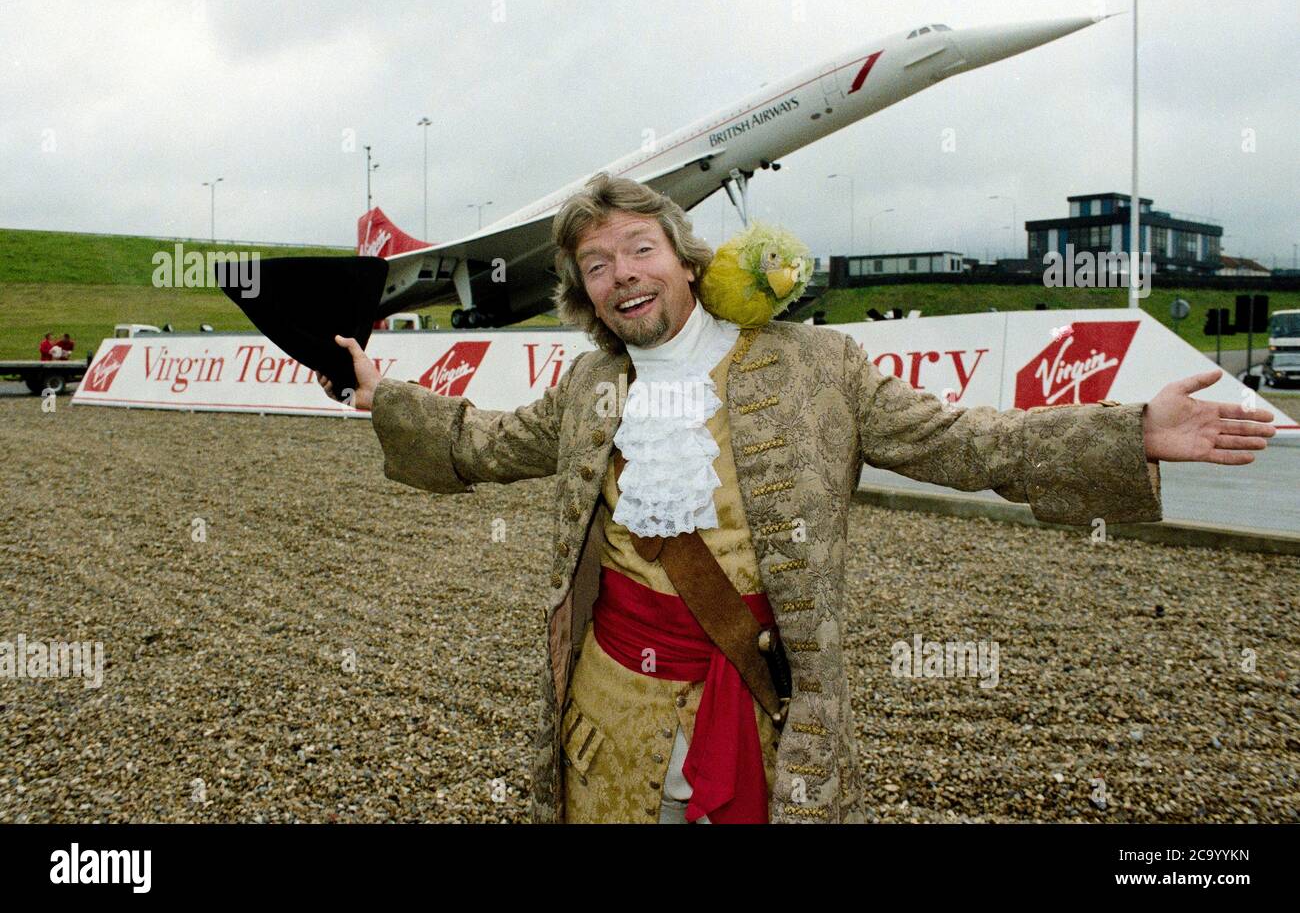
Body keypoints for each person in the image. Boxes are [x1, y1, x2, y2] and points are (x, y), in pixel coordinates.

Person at [319, 172, 1276, 824]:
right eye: (597, 267)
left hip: (765, 697)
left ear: (686, 259)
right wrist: (380, 398)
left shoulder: (821, 365)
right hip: (605, 704)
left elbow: (965, 442)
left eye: (638, 249)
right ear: (584, 295)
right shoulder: (587, 388)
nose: (622, 276)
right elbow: (482, 445)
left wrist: (1126, 432)